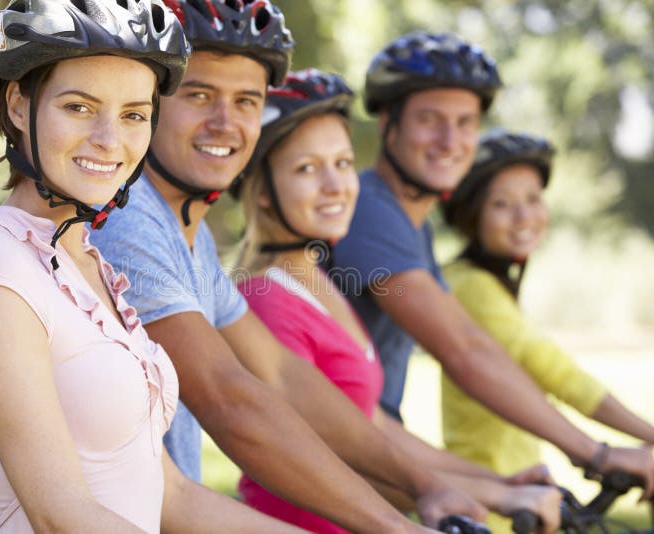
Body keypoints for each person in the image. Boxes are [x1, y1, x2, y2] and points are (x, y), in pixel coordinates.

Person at [91, 1, 484, 530]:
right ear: (150, 102)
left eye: (246, 100)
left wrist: (427, 486)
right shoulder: (127, 221)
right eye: (200, 95)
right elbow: (229, 399)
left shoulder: (191, 236)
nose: (224, 122)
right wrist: (396, 525)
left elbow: (279, 374)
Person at [0, 1, 307, 532]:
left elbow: (171, 496)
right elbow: (60, 515)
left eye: (134, 114)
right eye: (80, 107)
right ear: (19, 105)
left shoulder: (86, 260)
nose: (110, 140)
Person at [233, 68, 563, 534]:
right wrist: (495, 495)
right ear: (263, 192)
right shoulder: (265, 301)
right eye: (307, 169)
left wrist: (496, 481)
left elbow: (376, 432)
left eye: (344, 163)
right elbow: (318, 459)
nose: (336, 186)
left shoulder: (324, 285)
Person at [332, 29, 654, 499]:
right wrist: (595, 453)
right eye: (430, 119)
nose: (450, 140)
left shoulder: (410, 225)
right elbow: (464, 350)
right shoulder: (369, 210)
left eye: (465, 122)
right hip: (335, 477)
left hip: (368, 466)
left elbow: (482, 348)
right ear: (387, 124)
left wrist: (498, 482)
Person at [440, 129, 654, 528]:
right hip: (491, 510)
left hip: (517, 497)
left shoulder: (487, 283)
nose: (524, 216)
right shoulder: (471, 287)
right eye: (502, 204)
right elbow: (558, 373)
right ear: (472, 215)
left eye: (533, 199)